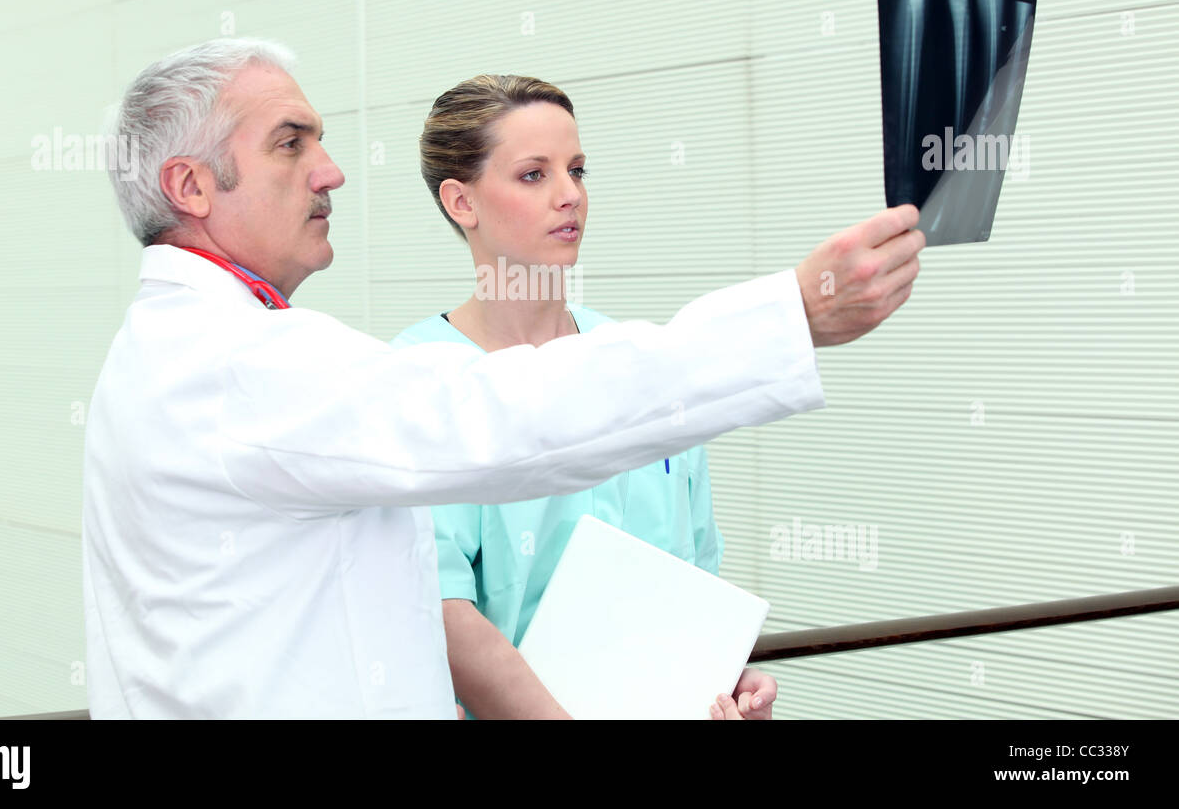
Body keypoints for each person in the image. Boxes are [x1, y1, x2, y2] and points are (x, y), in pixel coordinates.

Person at [82, 37, 923, 718]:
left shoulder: (196, 347)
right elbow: (506, 416)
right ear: (191, 185)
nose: (331, 171)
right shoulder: (240, 364)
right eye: (290, 144)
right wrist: (789, 315)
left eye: (577, 169)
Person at [392, 74, 779, 720]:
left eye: (577, 170)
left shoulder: (641, 364)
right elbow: (441, 610)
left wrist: (726, 679)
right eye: (534, 175)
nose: (570, 196)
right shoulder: (417, 382)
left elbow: (695, 575)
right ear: (462, 202)